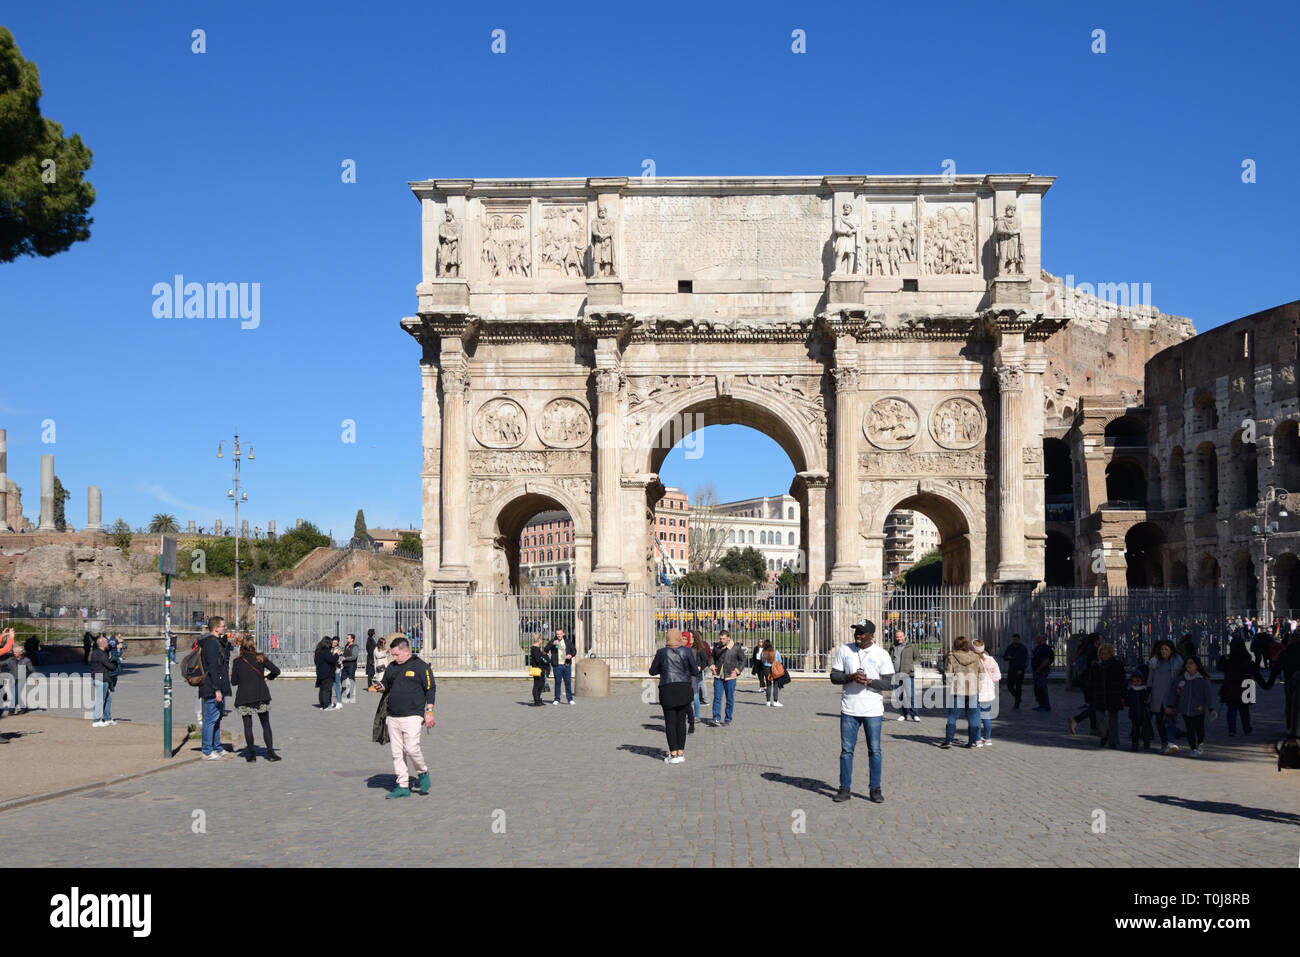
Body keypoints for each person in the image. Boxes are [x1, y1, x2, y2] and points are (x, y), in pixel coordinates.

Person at [831, 619, 893, 803]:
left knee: (875, 750)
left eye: (862, 632)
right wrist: (850, 677)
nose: (857, 634)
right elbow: (834, 677)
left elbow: (890, 683)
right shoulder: (845, 650)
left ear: (871, 635)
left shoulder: (881, 654)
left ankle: (875, 789)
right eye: (856, 630)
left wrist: (869, 682)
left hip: (872, 710)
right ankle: (844, 788)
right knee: (846, 751)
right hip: (849, 708)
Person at [380, 635, 436, 798]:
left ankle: (422, 771)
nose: (394, 657)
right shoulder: (391, 667)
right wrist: (380, 686)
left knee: (412, 748)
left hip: (413, 715)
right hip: (393, 715)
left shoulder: (421, 667)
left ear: (406, 652)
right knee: (397, 752)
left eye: (396, 654)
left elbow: (430, 688)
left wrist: (429, 711)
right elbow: (386, 685)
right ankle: (402, 785)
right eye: (393, 655)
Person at [649, 627, 699, 763]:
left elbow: (652, 671)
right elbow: (695, 671)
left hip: (668, 687)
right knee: (681, 721)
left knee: (670, 722)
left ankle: (673, 753)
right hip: (683, 687)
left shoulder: (661, 653)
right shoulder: (687, 651)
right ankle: (681, 753)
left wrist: (663, 668)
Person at [230, 636, 281, 762]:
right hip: (260, 695)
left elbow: (234, 682)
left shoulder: (237, 661)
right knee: (265, 724)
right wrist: (268, 677)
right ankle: (270, 753)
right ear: (254, 646)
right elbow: (276, 670)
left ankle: (251, 754)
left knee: (248, 726)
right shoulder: (260, 658)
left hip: (244, 697)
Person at [198, 616, 232, 758]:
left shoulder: (217, 642)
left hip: (218, 686)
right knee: (210, 719)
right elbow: (212, 668)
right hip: (211, 687)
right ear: (216, 627)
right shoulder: (211, 643)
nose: (225, 628)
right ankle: (207, 749)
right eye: (223, 626)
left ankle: (217, 746)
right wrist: (217, 689)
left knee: (217, 718)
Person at [1218, 634, 1265, 737]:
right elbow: (1257, 675)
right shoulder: (1247, 661)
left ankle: (1232, 729)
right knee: (1244, 710)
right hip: (1246, 686)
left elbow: (1220, 668)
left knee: (1231, 709)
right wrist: (1266, 685)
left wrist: (1222, 659)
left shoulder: (1229, 660)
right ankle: (1247, 728)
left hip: (1231, 686)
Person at [940, 636, 981, 749]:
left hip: (958, 690)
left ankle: (948, 741)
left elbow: (948, 675)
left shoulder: (952, 657)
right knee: (972, 717)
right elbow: (982, 672)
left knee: (953, 716)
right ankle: (972, 741)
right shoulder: (975, 656)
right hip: (973, 690)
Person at [1165, 656, 1211, 757]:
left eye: (1191, 663)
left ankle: (1200, 743)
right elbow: (1174, 693)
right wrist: (1170, 705)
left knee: (1199, 729)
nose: (1188, 665)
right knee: (1190, 729)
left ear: (1197, 666)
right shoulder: (1181, 679)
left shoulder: (1202, 680)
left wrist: (1210, 708)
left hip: (1199, 709)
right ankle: (1193, 749)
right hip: (1185, 709)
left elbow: (1208, 695)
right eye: (1187, 663)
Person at [1147, 639, 1184, 754]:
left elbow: (1181, 677)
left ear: (1171, 650)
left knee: (1171, 720)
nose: (1163, 651)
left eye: (1166, 649)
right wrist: (1148, 693)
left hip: (1171, 695)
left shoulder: (1177, 661)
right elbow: (1150, 679)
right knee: (1159, 721)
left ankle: (1170, 743)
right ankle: (1164, 742)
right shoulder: (1155, 662)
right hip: (1157, 695)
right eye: (1162, 649)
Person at [1088, 644, 1127, 749]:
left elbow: (1122, 681)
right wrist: (1091, 696)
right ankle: (1105, 734)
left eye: (1106, 653)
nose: (1104, 655)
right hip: (1099, 695)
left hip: (1113, 694)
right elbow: (1091, 682)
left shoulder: (1117, 665)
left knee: (1113, 719)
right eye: (1102, 653)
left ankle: (1113, 741)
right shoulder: (1096, 666)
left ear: (1111, 654)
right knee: (1100, 717)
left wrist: (1123, 695)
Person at [710, 630, 746, 727]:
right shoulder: (717, 646)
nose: (722, 640)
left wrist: (737, 671)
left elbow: (743, 660)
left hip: (730, 677)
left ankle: (727, 718)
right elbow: (711, 657)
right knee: (717, 698)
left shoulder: (736, 647)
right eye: (720, 638)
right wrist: (712, 665)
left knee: (729, 699)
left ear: (728, 638)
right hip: (718, 676)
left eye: (724, 639)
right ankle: (716, 718)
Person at [972, 638, 1001, 747]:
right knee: (986, 716)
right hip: (988, 690)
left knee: (976, 717)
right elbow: (997, 675)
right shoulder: (990, 659)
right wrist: (990, 679)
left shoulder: (973, 659)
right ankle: (987, 738)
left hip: (976, 690)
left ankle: (978, 739)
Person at [89, 634, 118, 728]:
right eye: (106, 642)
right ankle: (96, 720)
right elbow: (109, 665)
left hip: (98, 676)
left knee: (107, 698)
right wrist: (115, 665)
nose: (107, 643)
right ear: (103, 643)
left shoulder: (96, 652)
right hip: (101, 677)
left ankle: (107, 718)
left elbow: (107, 651)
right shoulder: (101, 654)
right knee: (100, 699)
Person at [892, 628, 920, 721]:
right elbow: (890, 658)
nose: (899, 638)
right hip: (896, 675)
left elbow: (918, 658)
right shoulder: (893, 647)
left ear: (904, 636)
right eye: (897, 637)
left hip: (907, 674)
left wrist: (911, 666)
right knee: (898, 695)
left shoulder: (911, 646)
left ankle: (915, 714)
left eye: (900, 636)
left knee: (910, 695)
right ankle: (902, 714)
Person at [548, 627, 575, 705]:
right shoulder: (553, 641)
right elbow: (546, 649)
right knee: (557, 683)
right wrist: (552, 644)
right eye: (557, 634)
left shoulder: (568, 642)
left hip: (566, 665)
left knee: (568, 682)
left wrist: (571, 655)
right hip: (557, 666)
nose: (558, 635)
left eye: (560, 634)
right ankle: (557, 699)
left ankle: (570, 699)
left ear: (563, 634)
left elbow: (574, 650)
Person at [1126, 672, 1153, 750]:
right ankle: (1135, 743)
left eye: (1137, 681)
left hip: (1144, 713)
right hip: (1134, 713)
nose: (1136, 683)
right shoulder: (1131, 690)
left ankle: (1146, 742)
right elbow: (1128, 702)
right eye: (1134, 681)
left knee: (1145, 729)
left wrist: (1147, 702)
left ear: (1141, 681)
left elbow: (1148, 701)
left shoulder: (1144, 690)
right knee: (1135, 729)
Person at [689, 633, 710, 733]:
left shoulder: (700, 649)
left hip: (696, 676)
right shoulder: (687, 648)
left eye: (691, 637)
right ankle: (689, 714)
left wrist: (700, 667)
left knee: (695, 696)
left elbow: (705, 661)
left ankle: (696, 716)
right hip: (687, 675)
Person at [1002, 633, 1028, 710]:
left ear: (1019, 639)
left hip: (1020, 670)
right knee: (1009, 686)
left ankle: (1017, 705)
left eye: (1017, 639)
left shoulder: (1023, 648)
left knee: (1018, 687)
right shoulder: (1010, 647)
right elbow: (1005, 657)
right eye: (1014, 639)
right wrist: (1008, 657)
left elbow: (1025, 660)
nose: (1015, 640)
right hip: (1012, 669)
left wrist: (1021, 669)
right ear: (1012, 639)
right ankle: (1018, 698)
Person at [1031, 634, 1053, 711]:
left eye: (1039, 638)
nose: (1037, 639)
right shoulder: (1038, 647)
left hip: (1041, 671)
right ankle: (1041, 704)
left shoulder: (1045, 648)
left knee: (1042, 688)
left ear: (1043, 639)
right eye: (1037, 638)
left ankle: (1045, 706)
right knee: (1038, 689)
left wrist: (1039, 669)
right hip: (1037, 671)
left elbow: (1046, 660)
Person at [314, 637, 338, 710]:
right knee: (326, 690)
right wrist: (336, 654)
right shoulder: (326, 651)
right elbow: (331, 660)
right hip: (327, 673)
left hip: (320, 673)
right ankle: (326, 705)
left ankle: (322, 705)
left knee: (322, 689)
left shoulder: (318, 651)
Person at [760, 639, 785, 707]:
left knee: (768, 685)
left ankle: (768, 701)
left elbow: (761, 660)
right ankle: (775, 701)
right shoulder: (776, 652)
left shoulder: (763, 653)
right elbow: (780, 660)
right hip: (774, 668)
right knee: (775, 684)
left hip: (766, 669)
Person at [528, 637, 547, 706]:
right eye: (541, 639)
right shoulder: (535, 648)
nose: (542, 641)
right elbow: (537, 659)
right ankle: (536, 700)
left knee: (541, 684)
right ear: (539, 640)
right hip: (537, 669)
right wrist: (543, 660)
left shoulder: (537, 648)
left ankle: (538, 698)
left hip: (540, 668)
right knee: (537, 685)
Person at [341, 634, 360, 704]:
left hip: (351, 666)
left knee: (351, 679)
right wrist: (342, 656)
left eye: (348, 638)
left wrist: (345, 658)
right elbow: (344, 654)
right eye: (346, 638)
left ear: (352, 639)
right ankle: (343, 693)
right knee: (342, 679)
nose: (346, 639)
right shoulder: (346, 645)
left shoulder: (355, 647)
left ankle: (351, 694)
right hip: (345, 666)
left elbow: (354, 657)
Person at [330, 636, 344, 707]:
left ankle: (339, 702)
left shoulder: (340, 649)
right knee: (330, 686)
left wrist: (333, 658)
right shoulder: (329, 648)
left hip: (336, 670)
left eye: (336, 641)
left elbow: (340, 659)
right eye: (334, 641)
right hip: (329, 670)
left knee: (336, 686)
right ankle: (330, 702)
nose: (335, 642)